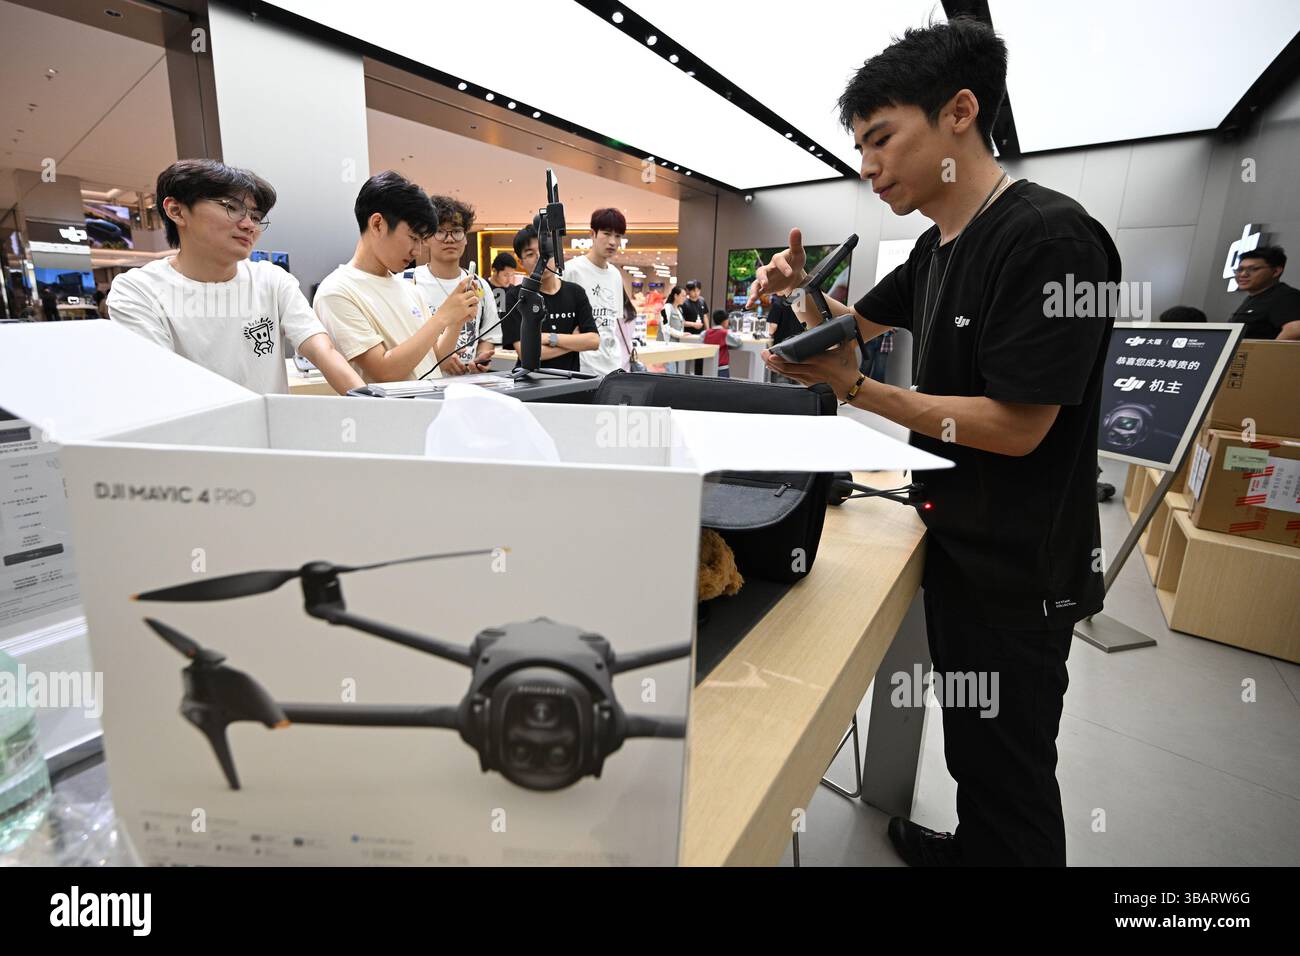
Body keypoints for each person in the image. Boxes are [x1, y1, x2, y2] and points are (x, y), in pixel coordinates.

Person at [757, 17, 1119, 867]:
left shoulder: (1049, 239)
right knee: (972, 745)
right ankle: (977, 848)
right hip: (958, 538)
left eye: (881, 139)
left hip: (1021, 562)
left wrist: (859, 389)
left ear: (960, 111)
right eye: (859, 146)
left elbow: (1018, 428)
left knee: (1011, 766)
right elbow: (844, 330)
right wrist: (796, 297)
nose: (868, 165)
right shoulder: (937, 246)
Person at [108, 159, 362, 395]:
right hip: (195, 440)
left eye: (255, 216)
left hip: (270, 438)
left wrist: (372, 405)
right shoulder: (137, 291)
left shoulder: (272, 280)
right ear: (176, 210)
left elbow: (323, 351)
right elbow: (161, 386)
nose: (249, 225)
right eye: (231, 208)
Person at [314, 172, 473, 383]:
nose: (417, 251)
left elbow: (436, 358)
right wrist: (442, 318)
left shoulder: (410, 289)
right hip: (393, 415)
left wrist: (455, 321)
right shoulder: (337, 292)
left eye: (421, 241)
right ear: (378, 224)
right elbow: (384, 371)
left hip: (432, 409)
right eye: (413, 238)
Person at [412, 195, 498, 374]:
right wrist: (438, 355)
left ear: (466, 238)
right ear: (426, 238)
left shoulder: (479, 285)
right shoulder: (409, 282)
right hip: (423, 386)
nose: (449, 239)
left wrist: (481, 358)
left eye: (457, 231)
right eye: (440, 231)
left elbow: (488, 335)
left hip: (469, 385)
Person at [499, 220, 599, 372]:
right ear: (520, 262)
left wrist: (548, 338)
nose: (540, 258)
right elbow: (526, 354)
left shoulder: (575, 292)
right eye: (530, 254)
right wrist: (574, 343)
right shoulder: (516, 297)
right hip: (530, 383)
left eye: (544, 250)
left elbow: (593, 341)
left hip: (569, 383)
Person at [563, 207, 635, 375]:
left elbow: (611, 324)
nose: (613, 242)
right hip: (581, 367)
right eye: (607, 233)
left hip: (611, 366)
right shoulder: (572, 271)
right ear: (592, 234)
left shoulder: (615, 275)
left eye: (618, 236)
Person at [1229, 246, 1300, 340]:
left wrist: (1267, 354)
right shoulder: (1254, 297)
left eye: (1253, 269)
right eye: (1239, 270)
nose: (1243, 274)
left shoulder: (1285, 296)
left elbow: (1295, 330)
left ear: (1276, 271)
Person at [702, 309, 743, 378]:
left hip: (708, 366)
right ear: (725, 321)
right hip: (722, 368)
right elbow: (738, 342)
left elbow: (701, 341)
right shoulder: (725, 333)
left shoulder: (705, 333)